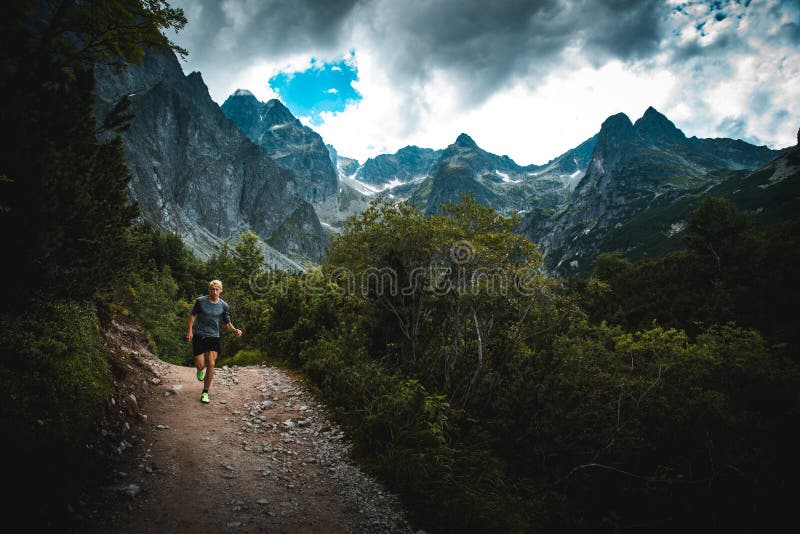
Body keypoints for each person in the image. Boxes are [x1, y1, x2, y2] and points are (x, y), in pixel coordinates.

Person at [185, 279, 242, 403]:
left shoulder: (224, 305)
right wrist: (189, 331)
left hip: (213, 336)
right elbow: (192, 316)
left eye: (217, 289)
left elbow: (227, 322)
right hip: (199, 335)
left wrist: (235, 330)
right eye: (212, 289)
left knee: (211, 363)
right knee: (200, 365)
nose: (215, 291)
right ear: (209, 290)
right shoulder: (200, 301)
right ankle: (200, 370)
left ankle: (205, 392)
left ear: (221, 290)